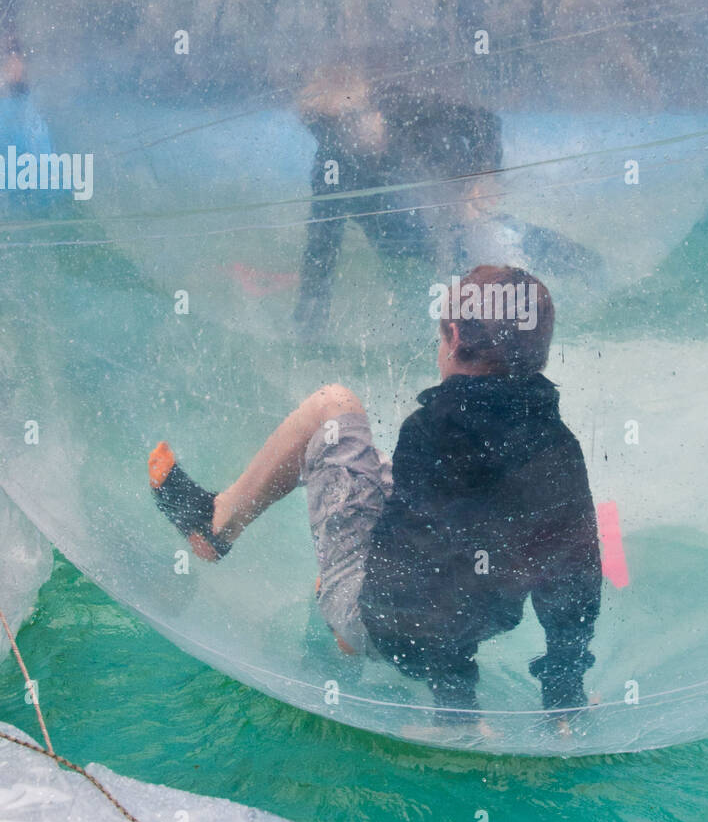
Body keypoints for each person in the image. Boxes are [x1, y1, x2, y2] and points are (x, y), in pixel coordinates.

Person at [150, 264, 603, 728]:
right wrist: (564, 695)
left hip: (390, 626)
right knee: (380, 472)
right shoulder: (557, 445)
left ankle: (219, 522)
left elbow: (426, 585)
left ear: (451, 335)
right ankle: (345, 626)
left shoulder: (432, 431)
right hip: (482, 619)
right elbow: (575, 572)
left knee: (334, 407)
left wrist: (456, 707)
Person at [293, 67, 503, 343]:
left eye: (338, 124)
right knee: (416, 315)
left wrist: (482, 176)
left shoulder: (413, 112)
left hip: (454, 210)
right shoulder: (331, 166)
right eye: (319, 130)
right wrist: (310, 323)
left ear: (373, 111)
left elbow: (486, 122)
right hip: (401, 246)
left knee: (491, 271)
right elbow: (321, 245)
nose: (332, 139)